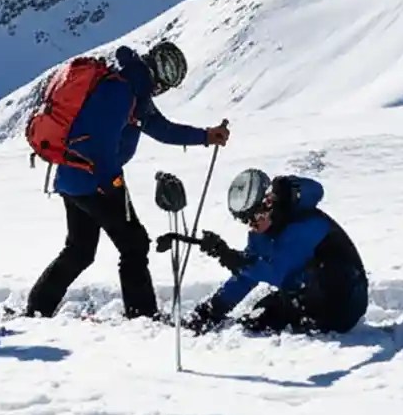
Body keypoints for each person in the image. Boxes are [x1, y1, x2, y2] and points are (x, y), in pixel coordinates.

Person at [26, 41, 230, 320]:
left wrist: (206, 136)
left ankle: (38, 308)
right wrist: (111, 184)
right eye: (167, 81)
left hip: (74, 178)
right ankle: (142, 316)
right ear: (158, 73)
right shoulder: (122, 91)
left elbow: (161, 128)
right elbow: (101, 144)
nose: (164, 89)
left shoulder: (132, 89)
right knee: (134, 244)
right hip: (95, 180)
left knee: (80, 249)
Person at [181, 168, 368, 335]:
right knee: (257, 317)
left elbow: (277, 272)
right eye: (244, 221)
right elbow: (247, 276)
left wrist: (235, 260)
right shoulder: (261, 233)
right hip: (307, 293)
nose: (251, 225)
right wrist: (210, 311)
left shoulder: (305, 225)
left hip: (343, 303)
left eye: (253, 218)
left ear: (268, 204)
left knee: (261, 325)